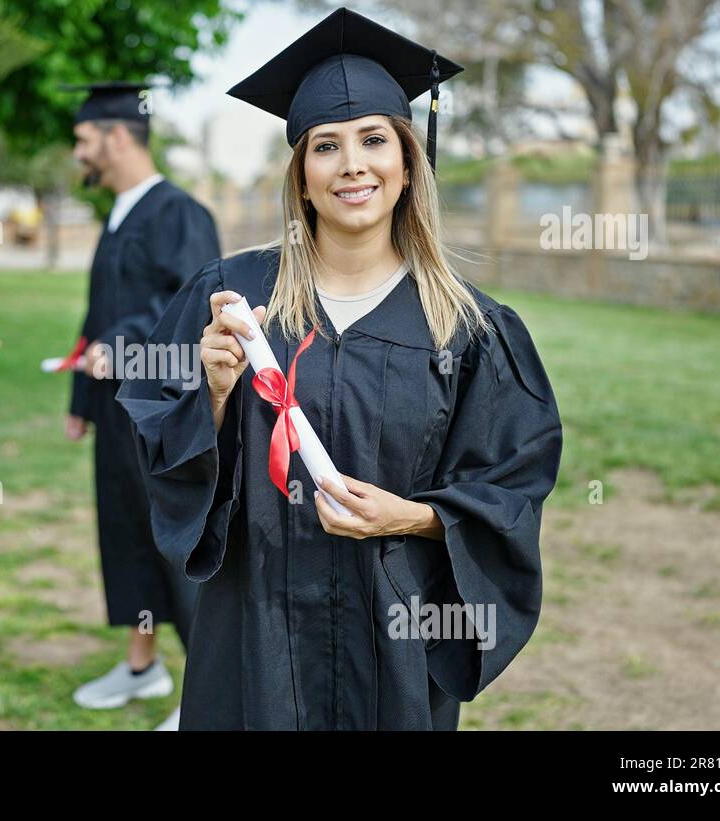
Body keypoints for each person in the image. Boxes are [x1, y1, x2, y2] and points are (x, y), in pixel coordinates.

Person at [116, 8, 564, 730]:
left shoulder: (472, 329)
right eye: (325, 145)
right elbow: (158, 445)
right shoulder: (230, 296)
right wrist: (217, 394)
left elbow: (511, 491)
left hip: (394, 637)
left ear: (408, 160)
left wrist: (414, 516)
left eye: (374, 140)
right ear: (300, 175)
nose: (352, 163)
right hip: (253, 630)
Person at [62, 82, 221, 727]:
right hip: (114, 407)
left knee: (173, 543)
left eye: (82, 140)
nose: (78, 152)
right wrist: (81, 394)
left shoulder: (179, 213)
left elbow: (189, 307)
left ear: (116, 135)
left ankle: (206, 691)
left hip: (166, 411)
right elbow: (98, 314)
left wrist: (122, 346)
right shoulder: (120, 212)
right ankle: (142, 665)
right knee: (126, 536)